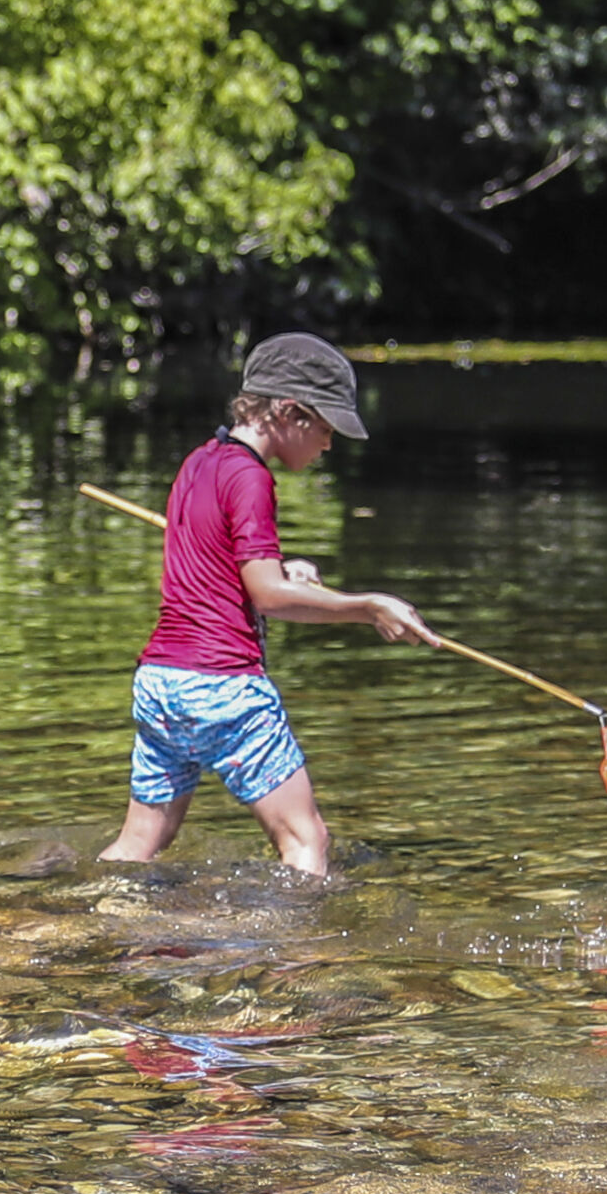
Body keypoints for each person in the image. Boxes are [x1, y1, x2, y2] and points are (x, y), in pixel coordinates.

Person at [100, 333, 438, 876]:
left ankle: (86, 920)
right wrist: (369, 606)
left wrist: (288, 572)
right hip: (222, 686)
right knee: (307, 840)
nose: (328, 444)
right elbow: (267, 597)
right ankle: (297, 958)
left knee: (138, 845)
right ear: (287, 412)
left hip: (160, 683)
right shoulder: (251, 477)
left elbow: (218, 573)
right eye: (325, 428)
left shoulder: (200, 463)